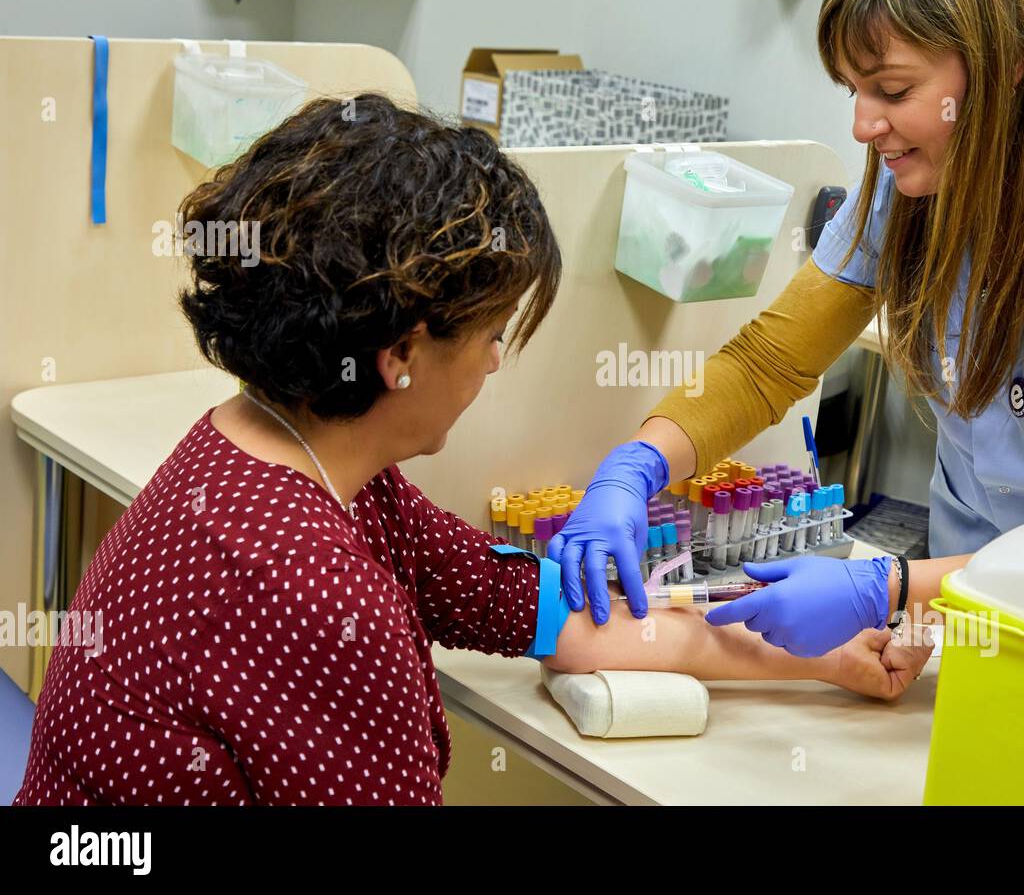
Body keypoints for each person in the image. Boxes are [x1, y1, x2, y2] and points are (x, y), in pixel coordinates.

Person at [14, 94, 930, 807]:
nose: (497, 360)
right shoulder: (317, 592)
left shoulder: (285, 452)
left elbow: (540, 607)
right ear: (402, 353)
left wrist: (815, 658)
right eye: (491, 332)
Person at [550, 0, 1024, 660]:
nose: (863, 125)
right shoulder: (915, 184)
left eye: (892, 91)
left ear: (1006, 67)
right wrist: (636, 464)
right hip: (963, 600)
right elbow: (770, 364)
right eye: (852, 91)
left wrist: (888, 591)